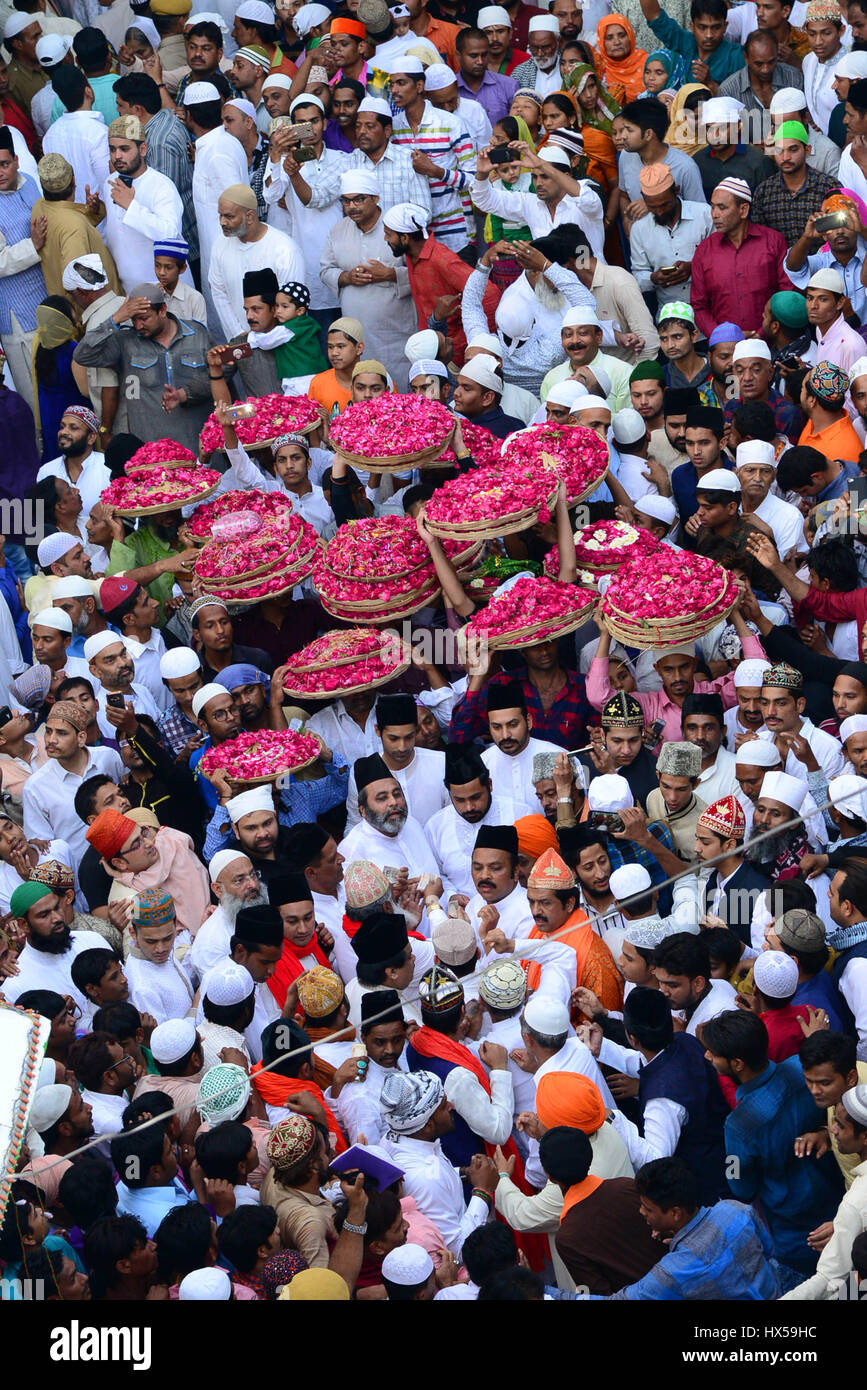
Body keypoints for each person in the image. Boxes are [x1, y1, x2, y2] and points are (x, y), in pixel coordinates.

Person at [702, 1009, 844, 1280]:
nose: (707, 1056)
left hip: (797, 1241)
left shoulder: (738, 1125)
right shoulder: (800, 1068)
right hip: (839, 1207)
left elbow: (739, 1186)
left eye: (713, 1052)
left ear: (738, 1064)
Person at [72, 283, 216, 452]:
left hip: (200, 445)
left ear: (162, 310)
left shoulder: (196, 333)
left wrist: (186, 393)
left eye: (144, 318)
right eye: (134, 319)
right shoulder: (126, 342)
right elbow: (82, 354)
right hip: (152, 453)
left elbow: (221, 373)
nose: (138, 325)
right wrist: (116, 318)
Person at [541, 1126, 661, 1294]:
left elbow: (598, 1294)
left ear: (549, 1176)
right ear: (589, 1157)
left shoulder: (567, 1237)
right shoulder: (627, 1186)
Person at [690, 176, 794, 339]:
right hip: (725, 352)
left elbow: (787, 293)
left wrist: (762, 333)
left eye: (722, 207)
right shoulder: (704, 250)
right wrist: (722, 337)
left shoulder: (773, 242)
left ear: (743, 210)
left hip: (770, 343)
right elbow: (699, 305)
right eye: (713, 207)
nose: (715, 215)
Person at [100, 114, 184, 294]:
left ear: (143, 149)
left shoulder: (161, 186)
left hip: (162, 288)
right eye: (112, 149)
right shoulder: (110, 182)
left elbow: (170, 234)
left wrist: (131, 207)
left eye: (124, 149)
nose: (117, 156)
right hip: (127, 290)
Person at [627, 162, 712, 309]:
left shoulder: (704, 215)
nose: (659, 212)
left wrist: (694, 267)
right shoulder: (639, 229)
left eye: (665, 205)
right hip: (669, 314)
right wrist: (653, 278)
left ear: (677, 191)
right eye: (653, 207)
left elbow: (723, 259)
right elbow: (638, 276)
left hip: (711, 306)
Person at [752, 121, 840, 249]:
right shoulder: (764, 192)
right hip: (779, 266)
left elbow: (840, 234)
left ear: (807, 150)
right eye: (779, 151)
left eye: (793, 150)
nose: (786, 157)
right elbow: (760, 243)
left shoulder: (828, 187)